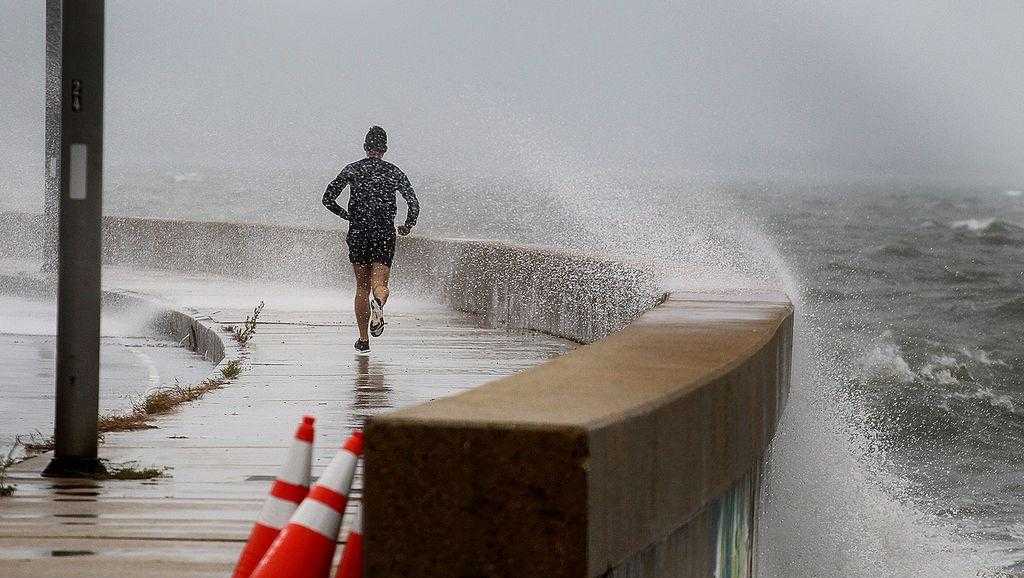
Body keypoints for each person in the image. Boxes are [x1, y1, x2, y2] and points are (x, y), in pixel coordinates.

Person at [322, 126, 419, 355]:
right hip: (383, 232)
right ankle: (380, 302)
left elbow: (327, 199)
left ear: (366, 147)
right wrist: (407, 225)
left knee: (361, 287)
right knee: (379, 284)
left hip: (359, 232)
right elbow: (413, 203)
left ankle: (364, 339)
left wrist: (348, 215)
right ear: (384, 149)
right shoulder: (394, 172)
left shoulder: (353, 169)